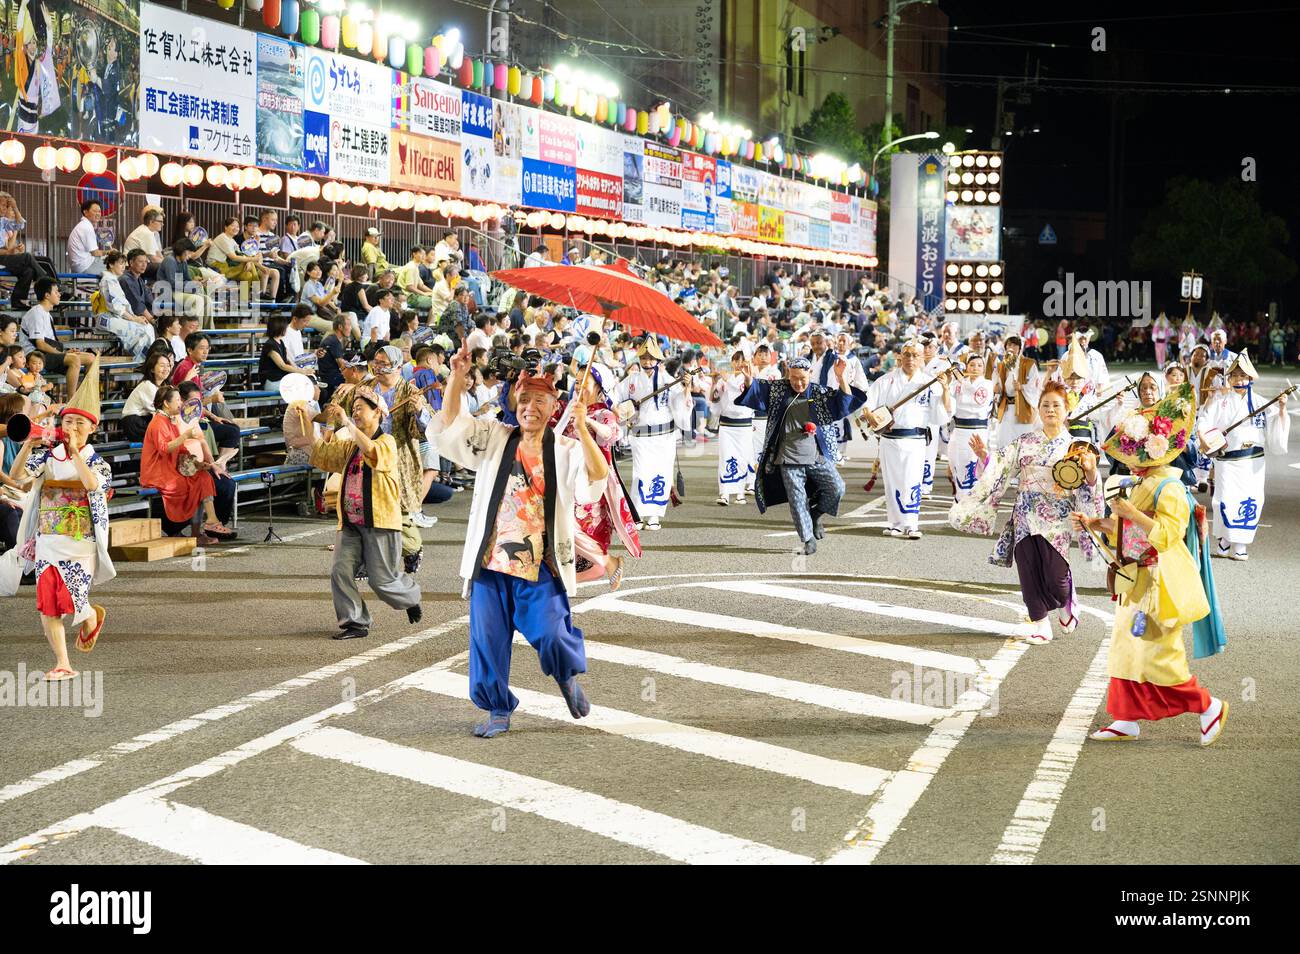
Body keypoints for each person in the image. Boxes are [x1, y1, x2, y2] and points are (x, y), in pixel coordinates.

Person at [431, 340, 609, 738]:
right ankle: (497, 708)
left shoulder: (565, 449)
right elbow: (450, 428)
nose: (530, 406)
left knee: (550, 633)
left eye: (540, 400)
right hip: (490, 563)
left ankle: (566, 676)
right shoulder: (496, 437)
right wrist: (457, 379)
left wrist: (582, 427)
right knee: (487, 641)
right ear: (515, 401)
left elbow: (595, 480)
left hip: (539, 564)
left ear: (553, 407)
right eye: (524, 398)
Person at [1074, 386, 1229, 745]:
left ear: (1151, 454)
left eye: (1131, 453)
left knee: (1161, 656)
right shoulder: (1142, 482)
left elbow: (1167, 536)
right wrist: (1098, 524)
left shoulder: (1171, 489)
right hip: (1137, 577)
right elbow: (1128, 530)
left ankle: (1208, 706)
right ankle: (1126, 717)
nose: (1126, 461)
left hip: (1160, 581)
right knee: (1126, 648)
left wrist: (1129, 514)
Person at [950, 381, 1103, 644]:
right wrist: (986, 455)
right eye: (1045, 405)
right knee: (1028, 568)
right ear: (1038, 410)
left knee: (1057, 577)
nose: (1050, 410)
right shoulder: (1025, 441)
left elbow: (1088, 484)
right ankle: (1041, 624)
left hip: (1058, 515)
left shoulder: (1076, 447)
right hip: (1024, 512)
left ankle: (1067, 599)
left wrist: (1090, 472)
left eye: (1056, 405)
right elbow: (1002, 464)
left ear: (1067, 410)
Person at [9, 357, 114, 680]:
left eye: (79, 424)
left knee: (72, 598)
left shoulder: (99, 463)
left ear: (92, 428)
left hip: (80, 542)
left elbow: (92, 485)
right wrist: (28, 446)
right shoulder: (47, 456)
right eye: (67, 423)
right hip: (48, 539)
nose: (72, 429)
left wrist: (73, 452)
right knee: (48, 603)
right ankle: (63, 662)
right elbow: (17, 479)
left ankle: (90, 618)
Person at [309, 386, 423, 640]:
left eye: (361, 409)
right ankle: (355, 622)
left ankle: (411, 597)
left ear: (378, 413)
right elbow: (321, 455)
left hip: (380, 522)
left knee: (381, 581)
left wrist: (347, 422)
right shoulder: (350, 446)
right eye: (354, 409)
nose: (356, 412)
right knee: (340, 571)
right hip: (350, 522)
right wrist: (301, 421)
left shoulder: (387, 442)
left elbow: (371, 452)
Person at [739, 353, 867, 554]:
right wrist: (748, 380)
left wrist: (841, 377)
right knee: (797, 500)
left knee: (837, 488)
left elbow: (842, 405)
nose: (798, 383)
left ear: (810, 373)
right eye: (794, 378)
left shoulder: (819, 392)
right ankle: (807, 539)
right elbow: (757, 391)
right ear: (788, 374)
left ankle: (816, 514)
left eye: (803, 379)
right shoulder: (778, 390)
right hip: (788, 457)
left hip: (817, 455)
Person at [553, 362, 640, 589]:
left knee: (570, 526)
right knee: (561, 526)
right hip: (565, 478)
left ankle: (606, 561)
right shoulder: (569, 409)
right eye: (577, 380)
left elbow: (611, 435)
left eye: (585, 381)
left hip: (590, 482)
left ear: (600, 387)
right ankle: (598, 564)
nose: (579, 385)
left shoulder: (603, 414)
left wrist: (586, 421)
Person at [1198, 351, 1290, 561]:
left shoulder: (1261, 402)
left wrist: (1282, 409)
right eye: (1235, 376)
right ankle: (1225, 540)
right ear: (1229, 379)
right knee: (1225, 500)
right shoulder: (1220, 400)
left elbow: (1275, 425)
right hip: (1227, 461)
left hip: (1253, 462)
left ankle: (1240, 543)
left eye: (1243, 375)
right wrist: (1203, 434)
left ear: (1250, 379)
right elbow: (1204, 421)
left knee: (1251, 500)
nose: (1239, 380)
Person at [863, 340, 954, 539]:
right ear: (900, 357)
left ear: (922, 358)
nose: (910, 359)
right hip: (890, 439)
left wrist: (946, 389)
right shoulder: (886, 380)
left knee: (912, 481)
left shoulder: (929, 383)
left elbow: (943, 413)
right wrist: (869, 414)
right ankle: (895, 524)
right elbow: (867, 402)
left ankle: (912, 524)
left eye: (915, 355)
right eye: (907, 354)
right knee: (892, 482)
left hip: (915, 440)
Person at [141, 385, 236, 545]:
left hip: (172, 466)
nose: (181, 403)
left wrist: (200, 464)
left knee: (203, 477)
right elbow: (165, 449)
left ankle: (209, 523)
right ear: (166, 403)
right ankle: (198, 530)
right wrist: (185, 435)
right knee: (195, 483)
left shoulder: (168, 419)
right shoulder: (158, 422)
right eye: (177, 400)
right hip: (159, 471)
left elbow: (182, 449)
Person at [618, 339, 692, 531]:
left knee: (661, 473)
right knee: (641, 474)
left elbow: (680, 403)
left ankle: (654, 515)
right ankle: (638, 513)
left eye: (651, 358)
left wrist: (686, 388)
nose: (647, 361)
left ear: (658, 359)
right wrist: (624, 409)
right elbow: (616, 397)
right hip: (640, 435)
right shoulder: (632, 379)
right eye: (644, 357)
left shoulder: (668, 380)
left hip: (663, 436)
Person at [19, 279, 94, 400]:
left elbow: (49, 343)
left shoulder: (46, 314)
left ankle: (84, 395)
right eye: (56, 292)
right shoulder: (36, 313)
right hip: (34, 356)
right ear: (47, 295)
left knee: (91, 358)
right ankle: (72, 400)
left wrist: (65, 352)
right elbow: (40, 344)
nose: (59, 294)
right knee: (74, 360)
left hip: (45, 354)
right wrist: (62, 354)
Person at [948, 351, 996, 500]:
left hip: (977, 430)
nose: (975, 368)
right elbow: (948, 403)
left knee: (973, 464)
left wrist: (958, 374)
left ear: (983, 369)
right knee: (957, 464)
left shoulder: (987, 384)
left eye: (979, 365)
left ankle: (970, 500)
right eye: (972, 365)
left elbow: (976, 397)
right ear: (967, 367)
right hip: (959, 429)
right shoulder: (957, 384)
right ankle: (959, 498)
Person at [711, 350, 756, 505]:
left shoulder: (749, 378)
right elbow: (715, 400)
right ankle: (724, 493)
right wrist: (714, 383)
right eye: (735, 360)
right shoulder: (725, 379)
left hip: (743, 424)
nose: (738, 364)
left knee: (742, 458)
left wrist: (726, 381)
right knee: (725, 457)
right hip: (726, 424)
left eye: (741, 360)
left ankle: (740, 493)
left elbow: (746, 392)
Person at [96, 252, 155, 362]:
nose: (123, 267)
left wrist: (136, 317)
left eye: (124, 264)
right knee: (142, 330)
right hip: (106, 318)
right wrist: (134, 318)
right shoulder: (108, 280)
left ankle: (145, 360)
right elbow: (116, 307)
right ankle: (141, 361)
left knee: (147, 327)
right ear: (111, 264)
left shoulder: (114, 279)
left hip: (117, 316)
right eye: (120, 264)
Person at [992, 334, 1041, 449]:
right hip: (1006, 407)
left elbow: (1035, 385)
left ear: (1020, 348)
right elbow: (997, 383)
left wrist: (1022, 387)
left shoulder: (1029, 363)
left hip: (1022, 407)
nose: (1011, 347)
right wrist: (996, 389)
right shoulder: (1001, 365)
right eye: (1009, 344)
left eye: (1015, 345)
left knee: (1023, 442)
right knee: (1003, 441)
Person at [121, 349, 173, 441]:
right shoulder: (147, 385)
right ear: (152, 369)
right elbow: (158, 410)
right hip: (134, 423)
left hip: (144, 419)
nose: (166, 369)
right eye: (162, 366)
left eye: (168, 365)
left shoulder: (163, 386)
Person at [67, 199, 109, 276]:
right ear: (85, 212)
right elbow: (95, 253)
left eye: (99, 211)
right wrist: (108, 252)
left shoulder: (83, 225)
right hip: (85, 266)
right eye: (95, 211)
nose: (98, 214)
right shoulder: (86, 227)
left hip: (80, 265)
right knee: (116, 268)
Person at [123, 206, 166, 279]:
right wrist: (168, 264)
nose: (163, 224)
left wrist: (167, 261)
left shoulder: (150, 232)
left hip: (140, 263)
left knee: (166, 266)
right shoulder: (146, 233)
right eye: (160, 222)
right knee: (163, 267)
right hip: (130, 266)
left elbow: (158, 253)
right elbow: (153, 259)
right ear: (151, 221)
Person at [259, 314, 297, 393]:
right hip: (272, 382)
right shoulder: (270, 345)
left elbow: (287, 361)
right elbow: (282, 365)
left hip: (281, 379)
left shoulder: (281, 342)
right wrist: (302, 372)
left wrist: (300, 372)